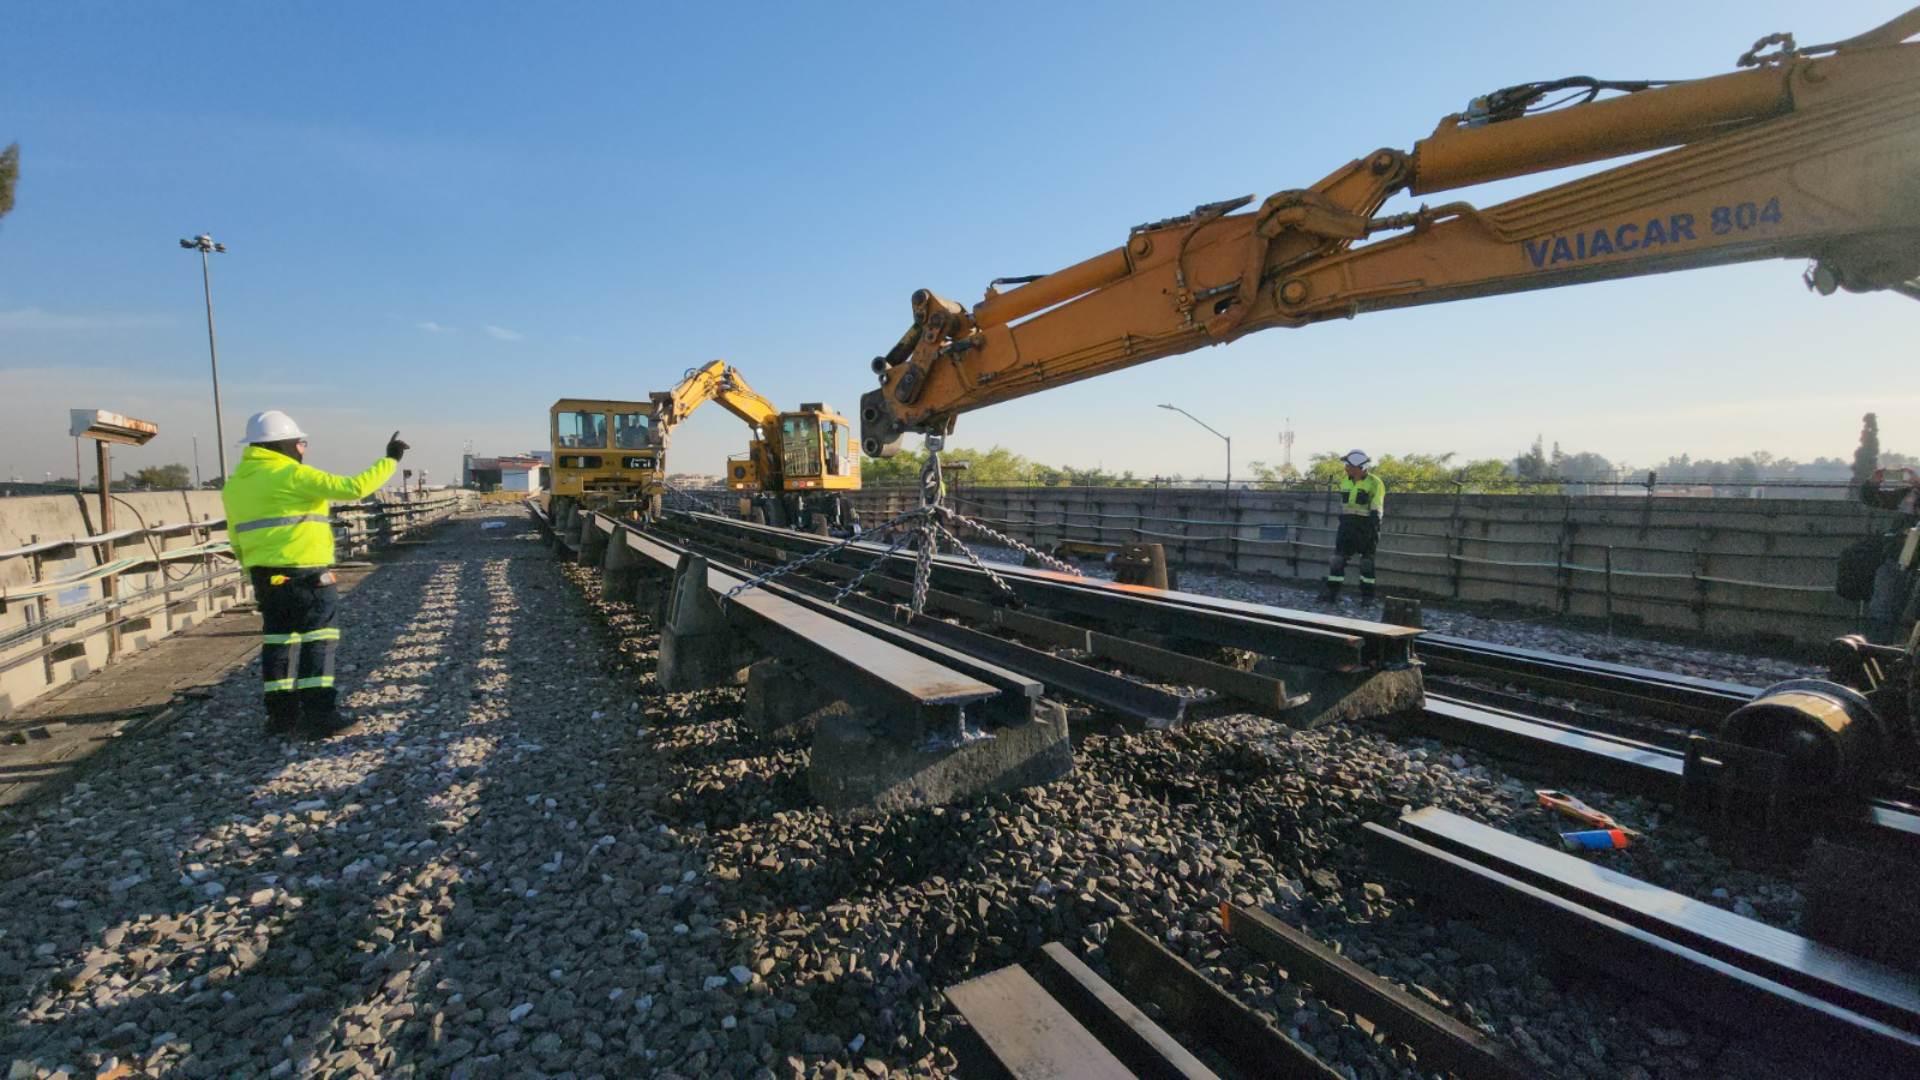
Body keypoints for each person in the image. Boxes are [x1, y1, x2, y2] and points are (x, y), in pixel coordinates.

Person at [221, 411, 409, 737]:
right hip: (305, 575)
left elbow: (236, 537)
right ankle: (319, 714)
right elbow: (354, 487)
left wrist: (255, 568)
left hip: (267, 577)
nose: (303, 449)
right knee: (318, 637)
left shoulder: (235, 485)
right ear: (284, 445)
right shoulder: (293, 475)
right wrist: (390, 460)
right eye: (301, 443)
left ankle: (281, 717)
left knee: (278, 640)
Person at [1859, 467, 1920, 645]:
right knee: (1882, 612)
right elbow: (1874, 500)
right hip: (1897, 559)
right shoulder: (1910, 494)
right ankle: (1877, 653)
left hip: (1911, 562)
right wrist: (1872, 484)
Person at [1322, 449, 1385, 604]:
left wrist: (1373, 529)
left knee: (1366, 563)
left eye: (1348, 464)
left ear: (1358, 466)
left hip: (1367, 527)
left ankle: (1367, 598)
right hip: (1346, 526)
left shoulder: (1375, 482)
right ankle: (1332, 594)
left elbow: (1376, 508)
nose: (1345, 467)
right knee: (1337, 560)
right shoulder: (1345, 481)